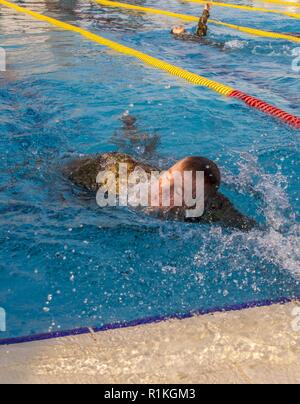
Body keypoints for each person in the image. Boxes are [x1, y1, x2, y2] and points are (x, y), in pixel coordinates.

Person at [66, 152, 257, 232]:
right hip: (110, 165)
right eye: (172, 187)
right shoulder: (122, 187)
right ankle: (130, 129)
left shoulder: (206, 210)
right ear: (164, 177)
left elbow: (246, 227)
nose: (171, 199)